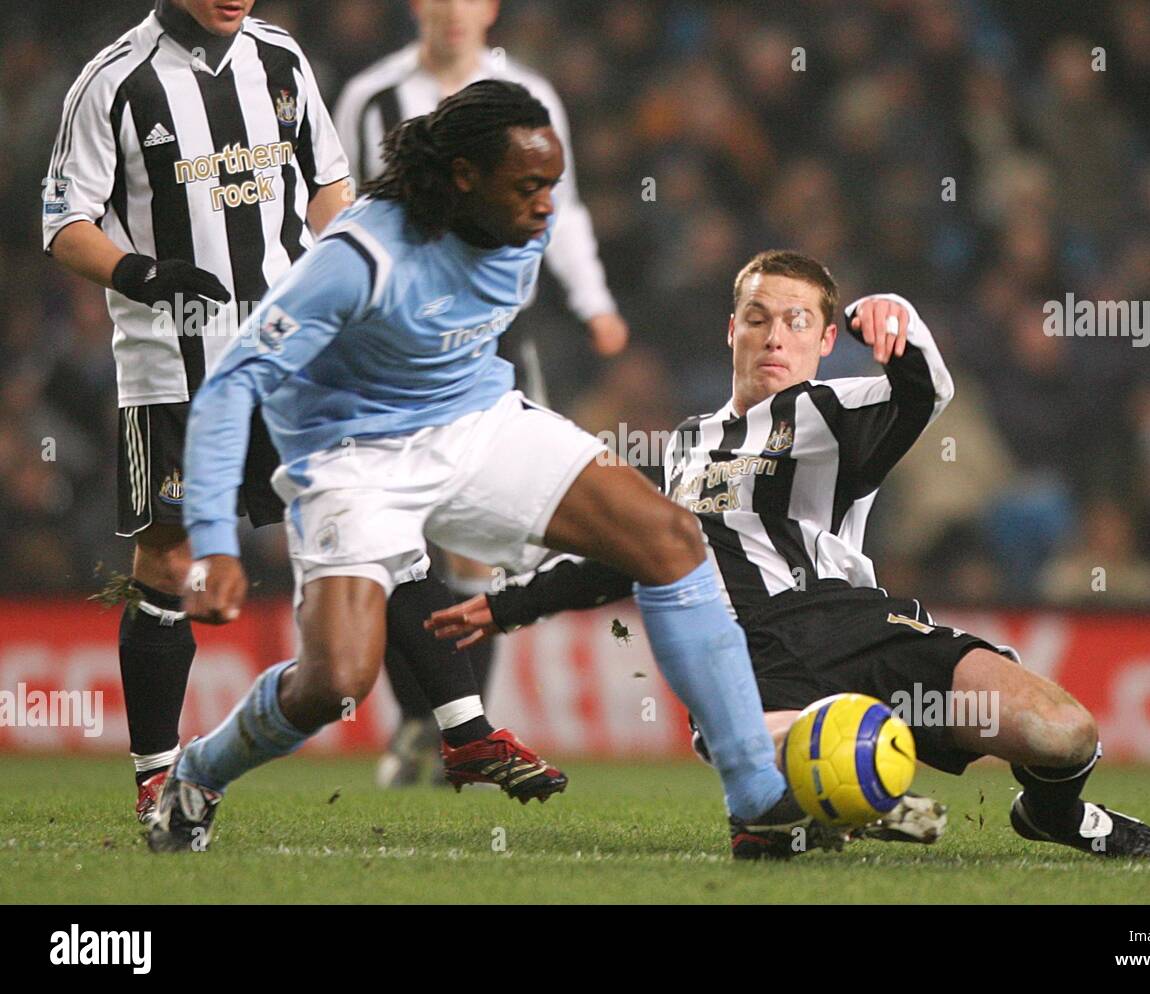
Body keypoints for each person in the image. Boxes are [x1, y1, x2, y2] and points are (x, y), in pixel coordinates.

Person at [147, 81, 809, 861]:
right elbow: (232, 384)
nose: (544, 207)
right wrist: (215, 542)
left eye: (552, 185)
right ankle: (197, 773)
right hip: (352, 456)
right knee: (335, 681)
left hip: (476, 422)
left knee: (670, 536)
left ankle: (759, 797)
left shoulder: (522, 227)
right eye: (527, 187)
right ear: (463, 175)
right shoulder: (359, 259)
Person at [429, 250, 1150, 860]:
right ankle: (813, 804)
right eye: (758, 319)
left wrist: (897, 321)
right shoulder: (685, 445)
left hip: (860, 626)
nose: (774, 336)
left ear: (824, 340)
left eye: (796, 321)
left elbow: (923, 394)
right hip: (748, 653)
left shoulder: (831, 414)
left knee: (1064, 733)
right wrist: (510, 603)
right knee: (768, 805)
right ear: (731, 331)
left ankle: (1053, 814)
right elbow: (629, 554)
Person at [42, 0, 353, 823]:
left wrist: (349, 270)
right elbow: (63, 223)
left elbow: (328, 185)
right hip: (172, 373)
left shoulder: (281, 59)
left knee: (360, 519)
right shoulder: (112, 80)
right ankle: (158, 774)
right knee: (169, 563)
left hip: (286, 358)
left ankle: (460, 728)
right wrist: (142, 274)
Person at [334, 0, 629, 787]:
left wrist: (594, 301)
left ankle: (458, 734)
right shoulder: (370, 98)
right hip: (391, 342)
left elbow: (560, 209)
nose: (454, 10)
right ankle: (419, 725)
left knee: (474, 541)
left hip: (490, 337)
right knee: (397, 533)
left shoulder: (526, 95)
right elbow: (337, 209)